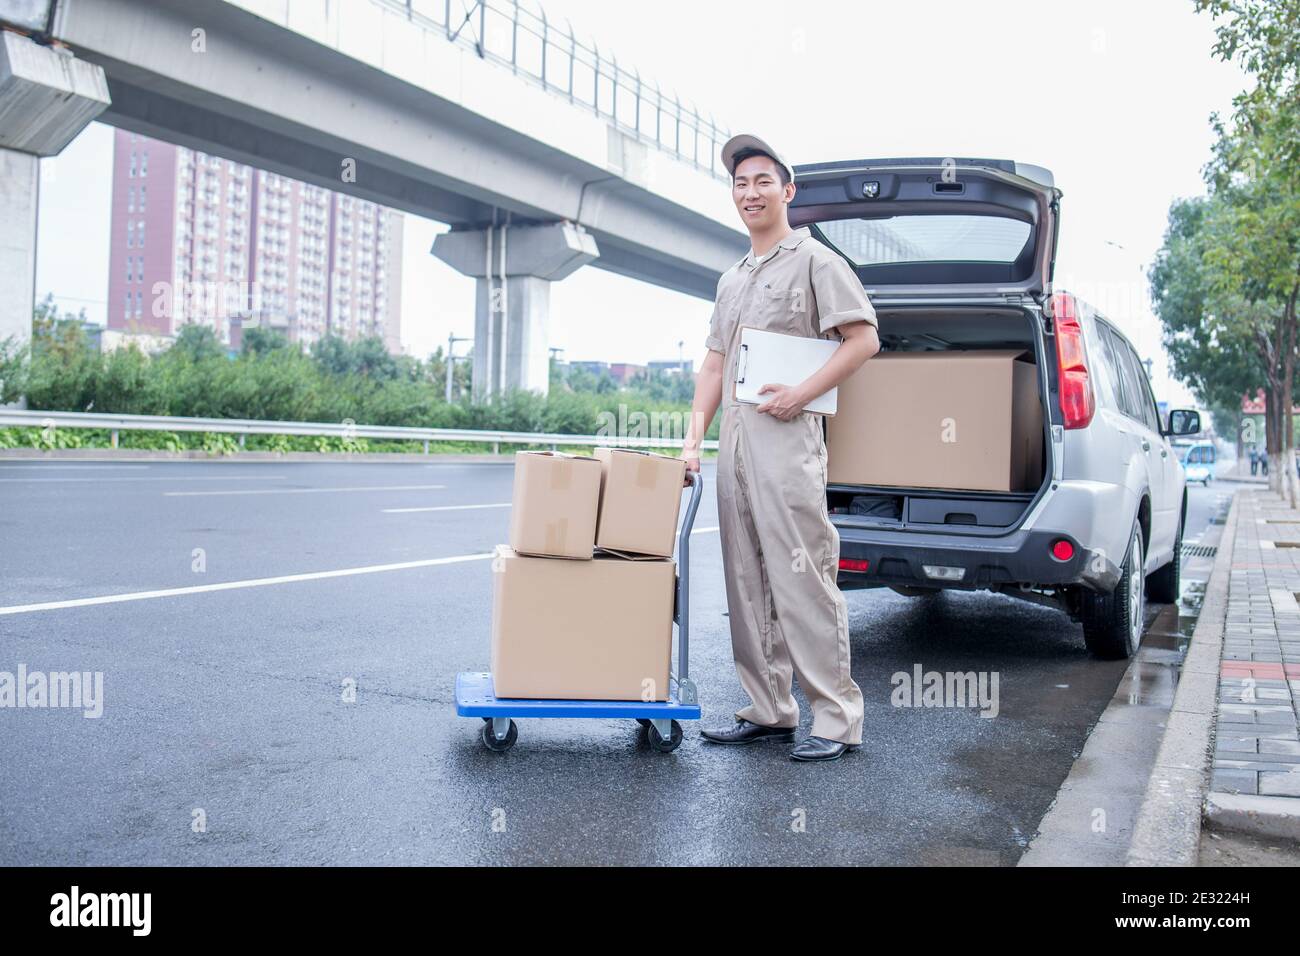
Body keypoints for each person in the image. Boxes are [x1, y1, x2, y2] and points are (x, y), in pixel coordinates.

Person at [680, 133, 880, 762]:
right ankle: (768, 708)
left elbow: (863, 338)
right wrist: (692, 443)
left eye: (763, 181)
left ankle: (837, 718)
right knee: (745, 577)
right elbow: (713, 366)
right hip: (735, 442)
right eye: (740, 184)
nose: (750, 192)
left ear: (788, 191)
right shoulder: (731, 277)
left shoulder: (816, 262)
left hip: (788, 438)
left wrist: (800, 394)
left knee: (802, 575)